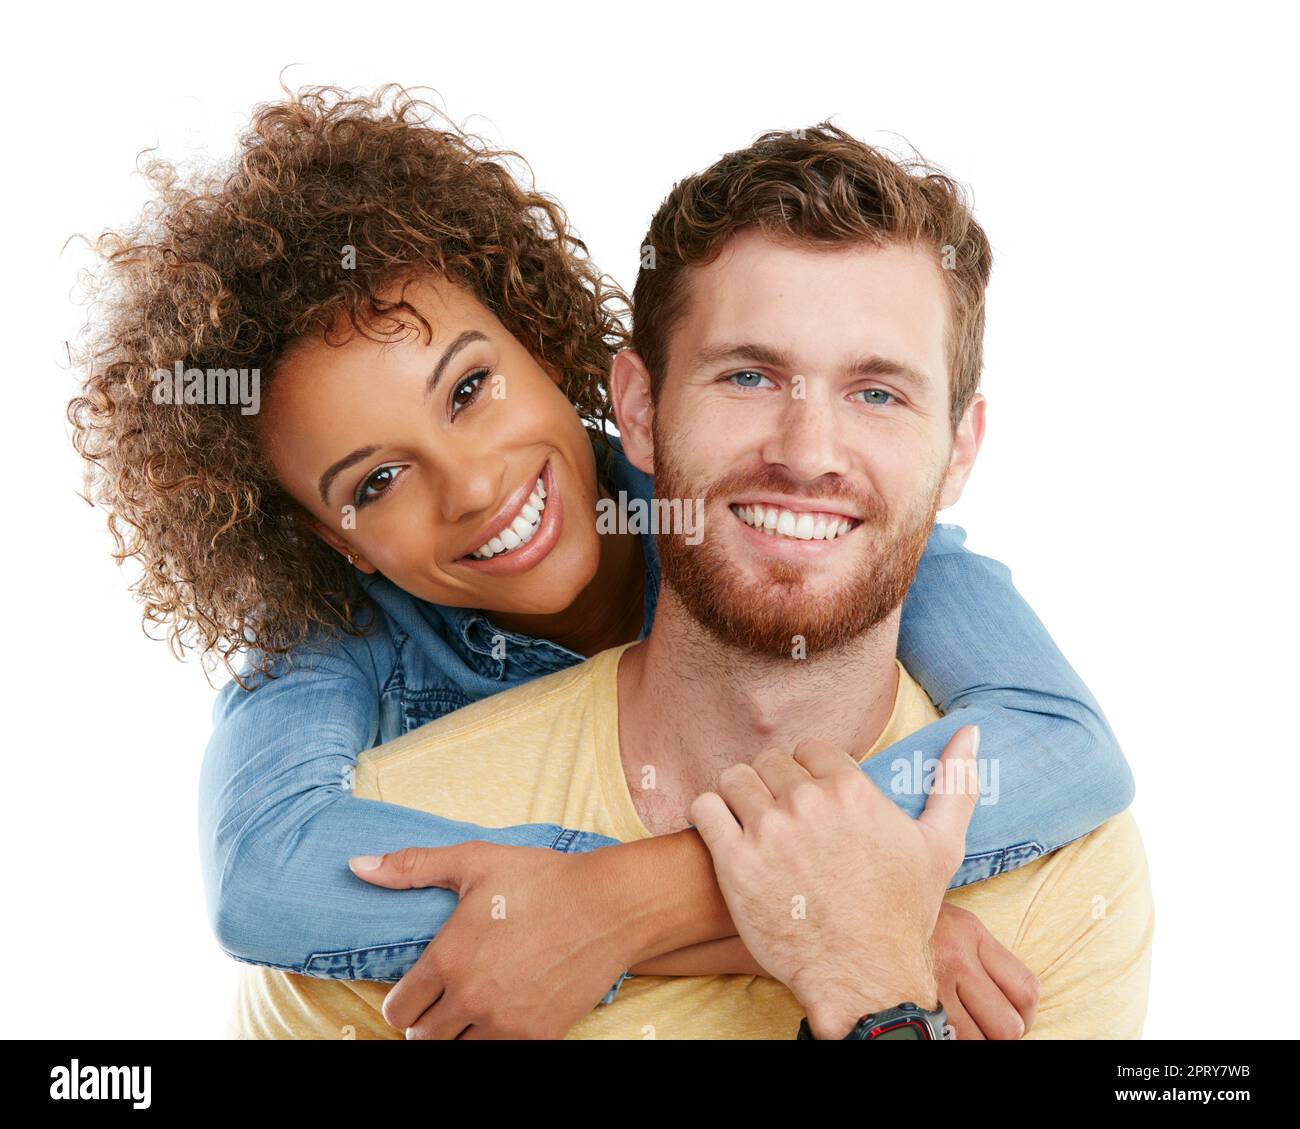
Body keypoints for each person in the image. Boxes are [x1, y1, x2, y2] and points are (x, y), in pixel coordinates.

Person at [68, 86, 1132, 1038]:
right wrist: (816, 911)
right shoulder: (329, 646)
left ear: (545, 343)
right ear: (328, 539)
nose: (476, 487)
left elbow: (1067, 753)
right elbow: (262, 880)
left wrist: (641, 904)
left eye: (469, 389)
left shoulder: (779, 515)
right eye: (375, 482)